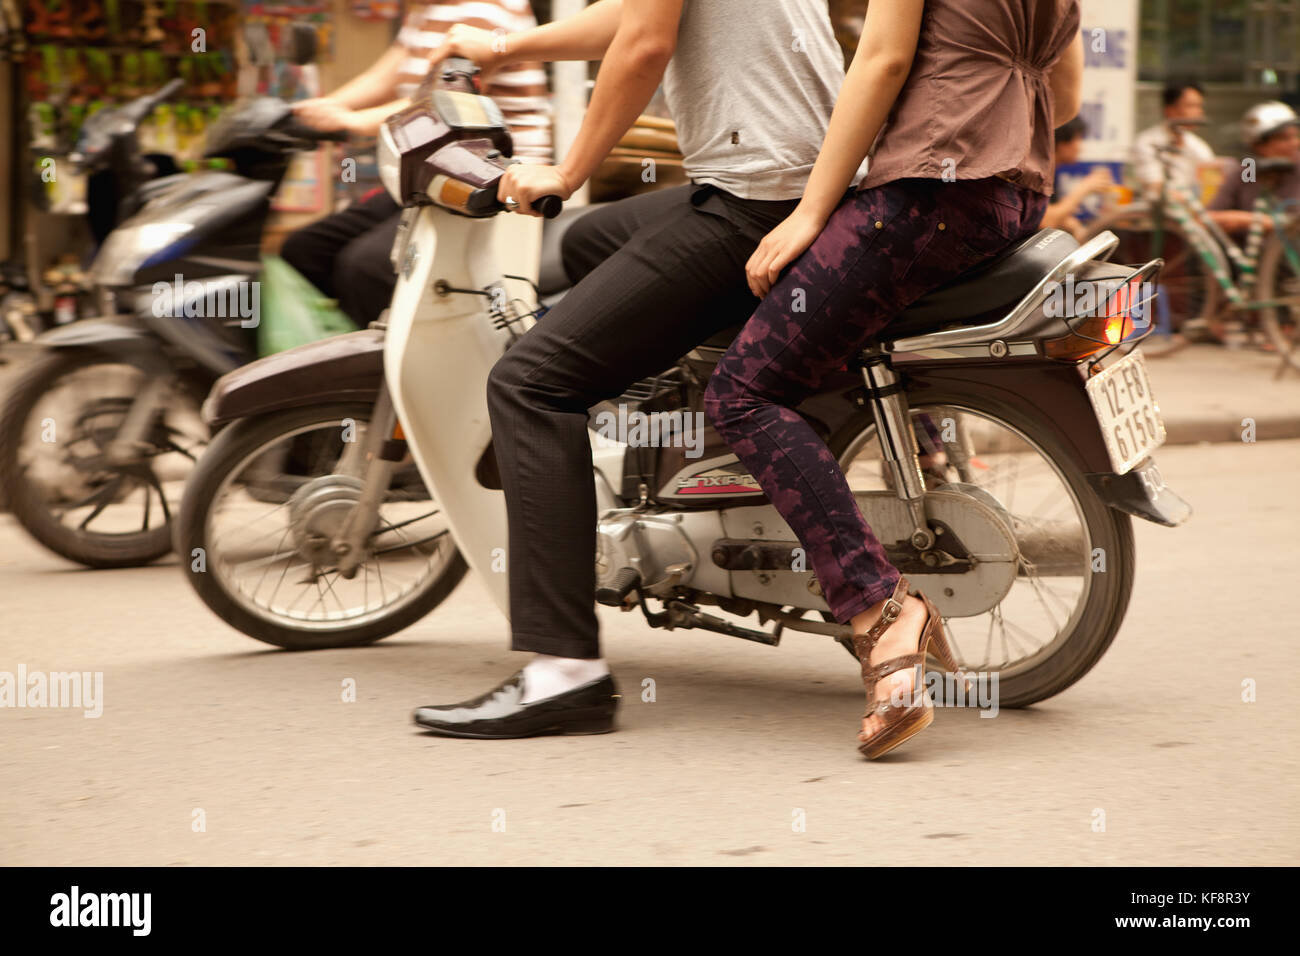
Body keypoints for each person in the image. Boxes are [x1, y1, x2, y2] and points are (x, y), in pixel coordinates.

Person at [409, 0, 866, 739]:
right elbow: (634, 13)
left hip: (756, 201)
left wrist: (567, 169)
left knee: (530, 385)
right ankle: (674, 461)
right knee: (593, 241)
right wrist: (504, 45)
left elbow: (645, 43)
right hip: (793, 184)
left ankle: (564, 674)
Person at [702, 0, 1082, 759]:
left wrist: (812, 209)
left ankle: (879, 610)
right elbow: (1063, 97)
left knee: (742, 391)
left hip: (926, 196)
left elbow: (880, 61)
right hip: (1015, 198)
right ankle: (925, 467)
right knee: (848, 333)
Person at [280, 0, 552, 327]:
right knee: (305, 250)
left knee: (366, 267)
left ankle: (399, 367)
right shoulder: (424, 7)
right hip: (431, 174)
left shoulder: (483, 11)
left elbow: (443, 104)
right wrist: (324, 107)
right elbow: (392, 68)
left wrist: (349, 121)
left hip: (490, 182)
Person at [1208, 101, 1300, 235]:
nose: (1294, 144)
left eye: (1295, 137)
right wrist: (1249, 220)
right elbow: (1209, 217)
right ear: (1258, 144)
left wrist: (1272, 222)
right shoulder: (1246, 172)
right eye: (1284, 139)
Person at [1131, 80, 1216, 199]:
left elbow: (1210, 187)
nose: (1199, 112)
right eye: (1191, 106)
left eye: (1199, 106)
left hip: (1192, 210)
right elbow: (1153, 185)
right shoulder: (1147, 142)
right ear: (1169, 110)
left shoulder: (1199, 147)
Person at [1042, 116, 1113, 238]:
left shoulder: (1052, 172)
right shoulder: (1040, 174)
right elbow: (1044, 222)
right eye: (1078, 138)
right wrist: (1085, 187)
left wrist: (1069, 222)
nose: (1080, 147)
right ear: (1062, 143)